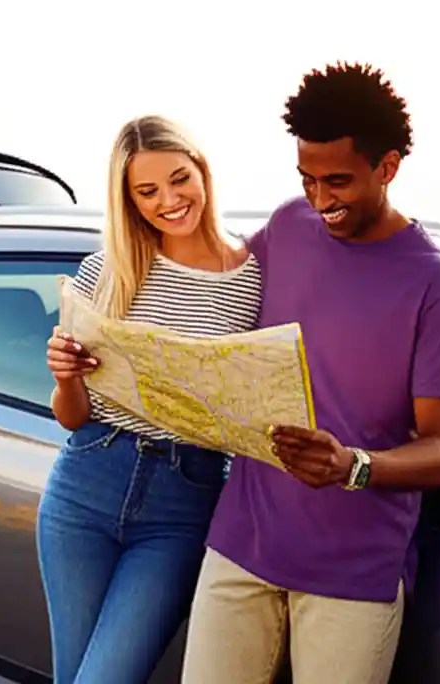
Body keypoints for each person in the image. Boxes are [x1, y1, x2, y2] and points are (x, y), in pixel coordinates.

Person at [181, 62, 440, 684]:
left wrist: (354, 465)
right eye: (307, 178)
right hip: (241, 546)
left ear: (388, 167)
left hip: (353, 577)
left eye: (337, 181)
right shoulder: (289, 224)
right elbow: (218, 306)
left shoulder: (437, 287)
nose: (320, 199)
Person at [36, 115, 261, 683]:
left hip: (182, 504)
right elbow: (71, 418)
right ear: (129, 199)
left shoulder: (254, 279)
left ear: (202, 171)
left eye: (179, 179)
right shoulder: (107, 272)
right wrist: (65, 377)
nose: (169, 200)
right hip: (84, 486)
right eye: (147, 191)